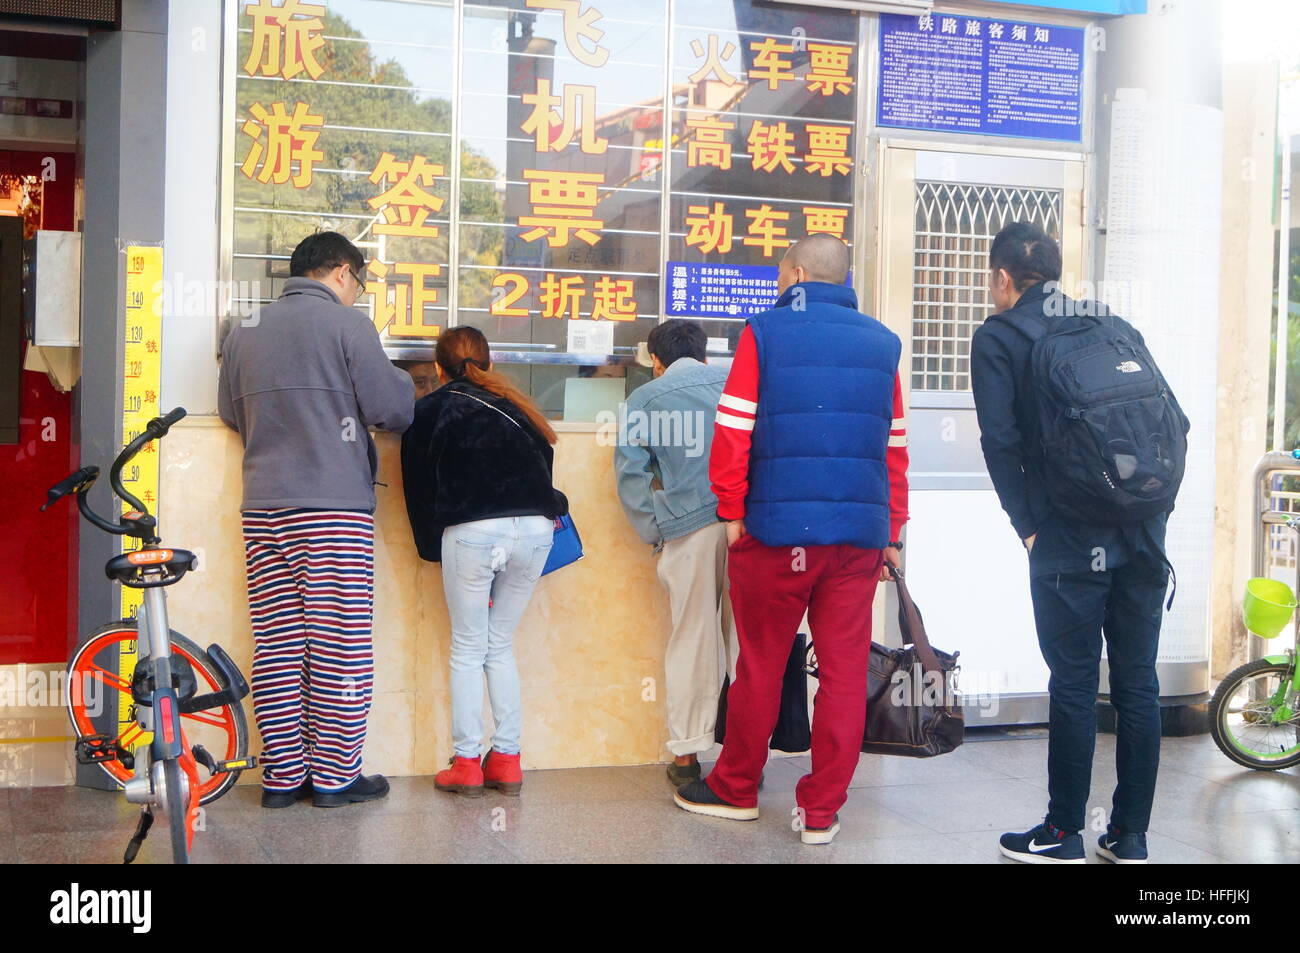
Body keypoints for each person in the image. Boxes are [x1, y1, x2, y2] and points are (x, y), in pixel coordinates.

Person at [672, 234, 910, 845]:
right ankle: (823, 811)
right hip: (857, 540)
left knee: (761, 664)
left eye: (781, 277)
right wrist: (893, 530)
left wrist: (730, 507)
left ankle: (735, 789)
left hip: (775, 535)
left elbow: (734, 426)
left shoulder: (766, 332)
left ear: (797, 274)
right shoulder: (883, 344)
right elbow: (895, 446)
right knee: (843, 671)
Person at [971, 222, 1175, 864]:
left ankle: (1063, 832)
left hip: (1067, 533)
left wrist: (1026, 524)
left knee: (1075, 680)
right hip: (1143, 528)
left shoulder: (999, 335)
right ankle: (1130, 835)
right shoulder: (1110, 323)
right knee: (1138, 681)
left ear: (1003, 278)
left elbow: (1000, 442)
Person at [217, 231, 414, 809]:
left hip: (264, 507)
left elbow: (232, 414)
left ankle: (281, 778)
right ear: (342, 272)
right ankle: (334, 778)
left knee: (277, 642)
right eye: (358, 281)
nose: (356, 292)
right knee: (340, 643)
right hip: (332, 507)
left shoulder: (246, 328)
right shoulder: (348, 327)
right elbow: (392, 409)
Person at [400, 326, 567, 798]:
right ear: (488, 363)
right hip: (535, 532)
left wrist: (431, 549)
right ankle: (509, 760)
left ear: (438, 368)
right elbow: (544, 473)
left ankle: (468, 763)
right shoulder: (522, 408)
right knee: (500, 644)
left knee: (469, 649)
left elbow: (419, 491)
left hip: (473, 533)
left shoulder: (429, 411)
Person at [613, 318, 736, 787]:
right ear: (703, 353)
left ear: (656, 360)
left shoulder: (645, 397)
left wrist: (655, 529)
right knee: (747, 644)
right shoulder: (737, 384)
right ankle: (744, 760)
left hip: (689, 532)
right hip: (750, 530)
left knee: (693, 640)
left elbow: (631, 474)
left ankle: (686, 758)